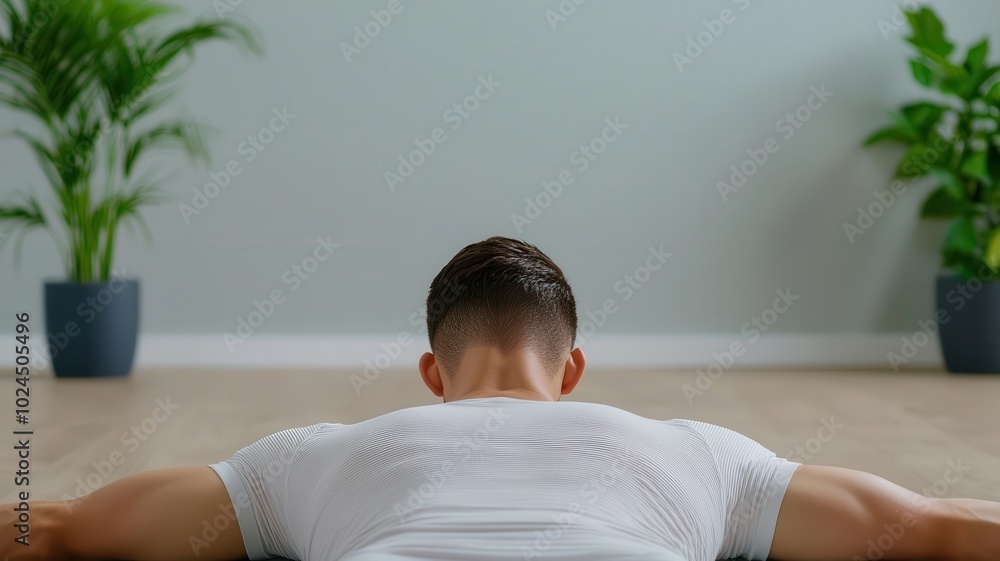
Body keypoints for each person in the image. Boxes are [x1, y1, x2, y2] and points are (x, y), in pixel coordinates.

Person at [3, 236, 999, 561]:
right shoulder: (699, 450)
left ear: (431, 375)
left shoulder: (307, 456)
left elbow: (55, 529)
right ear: (570, 370)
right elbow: (929, 529)